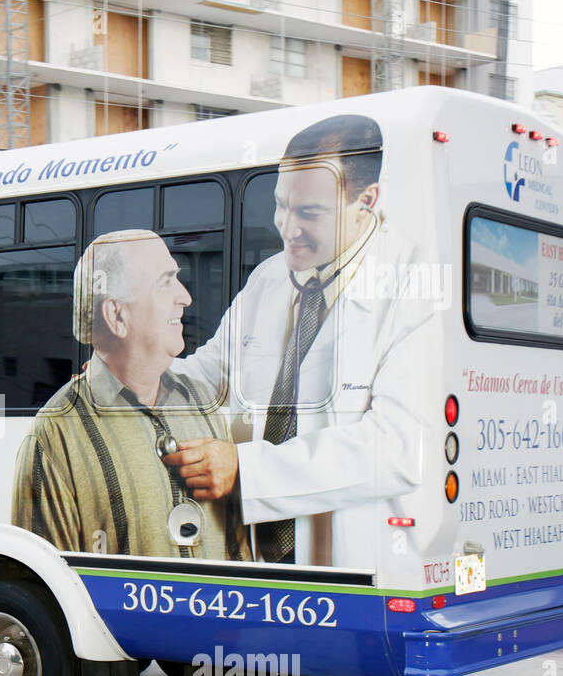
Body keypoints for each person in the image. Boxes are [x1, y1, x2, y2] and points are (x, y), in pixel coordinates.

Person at [167, 114, 441, 568]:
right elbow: (207, 373)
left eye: (309, 212)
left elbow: (398, 448)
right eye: (281, 205)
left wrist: (245, 470)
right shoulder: (270, 279)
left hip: (360, 565)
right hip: (259, 562)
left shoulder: (415, 285)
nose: (287, 228)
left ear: (366, 200)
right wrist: (132, 377)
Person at [11, 229, 250, 563]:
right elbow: (46, 580)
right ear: (116, 315)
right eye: (165, 282)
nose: (185, 297)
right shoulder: (55, 435)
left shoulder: (200, 401)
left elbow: (238, 552)